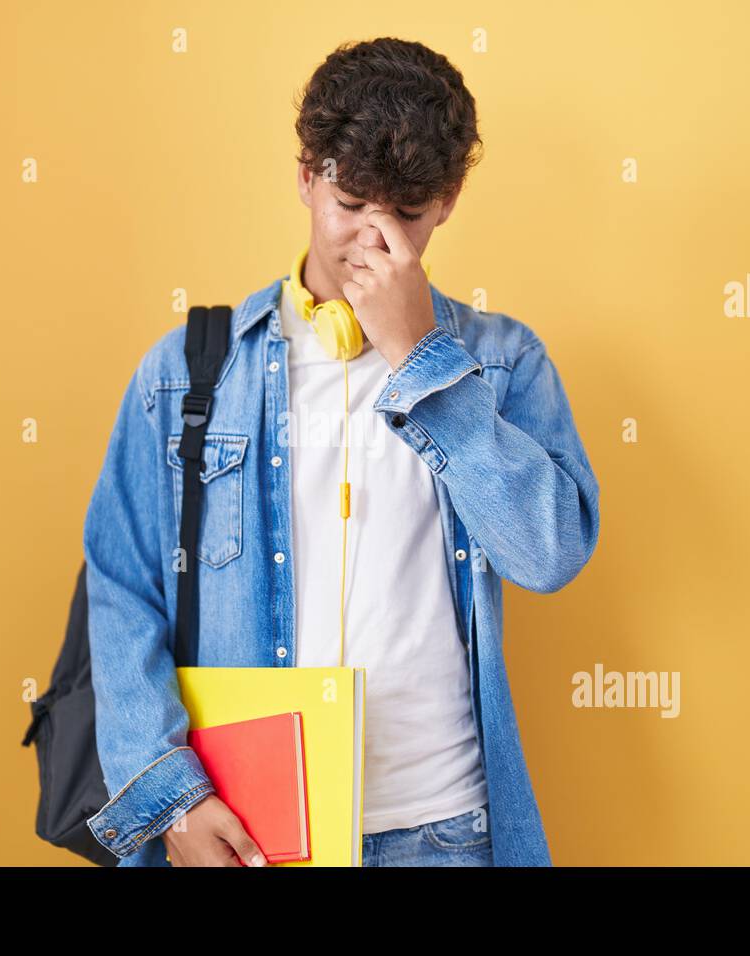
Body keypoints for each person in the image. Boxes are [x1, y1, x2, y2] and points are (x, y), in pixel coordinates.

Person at [82, 37, 600, 867]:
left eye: (406, 212)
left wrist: (422, 361)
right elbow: (120, 586)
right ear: (305, 175)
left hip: (444, 829)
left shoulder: (503, 364)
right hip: (250, 826)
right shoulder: (184, 371)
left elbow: (548, 554)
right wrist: (169, 797)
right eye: (352, 200)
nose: (373, 238)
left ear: (449, 201)